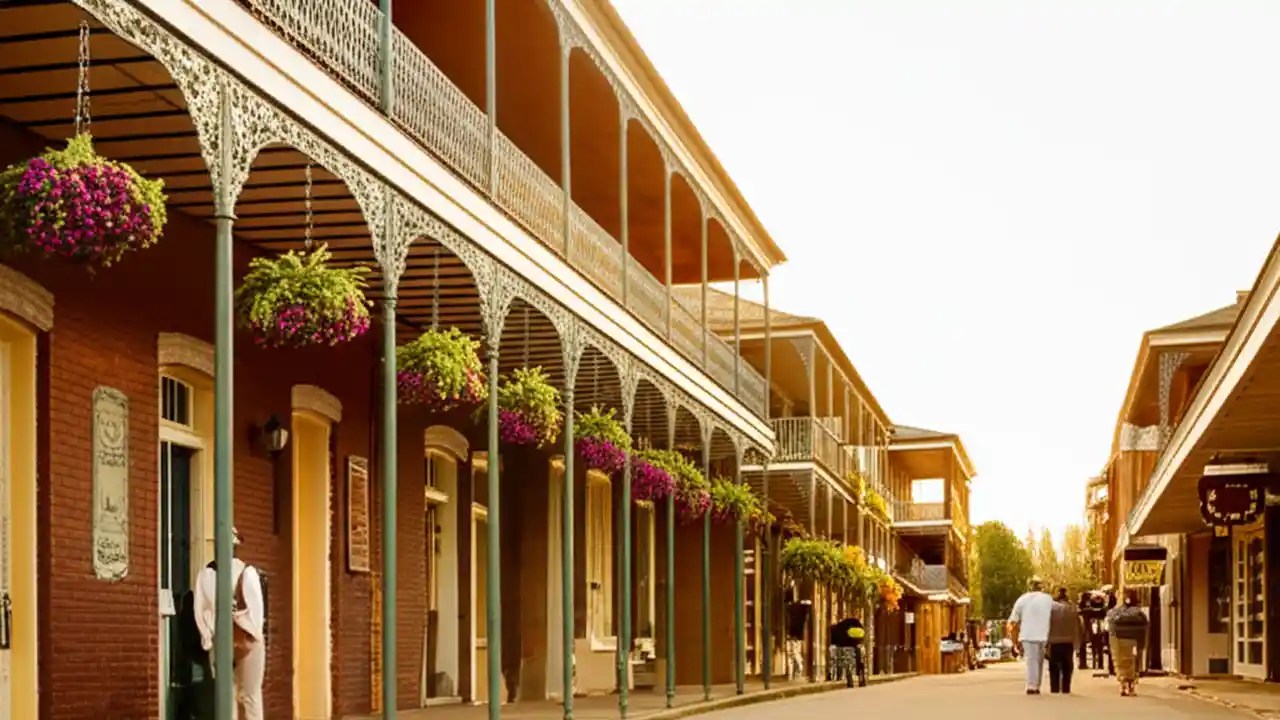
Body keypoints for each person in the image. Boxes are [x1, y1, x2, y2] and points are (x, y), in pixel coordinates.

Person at [194, 528, 266, 720]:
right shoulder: (245, 572)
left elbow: (201, 611)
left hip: (225, 639)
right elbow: (256, 611)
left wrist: (209, 638)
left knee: (231, 697)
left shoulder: (207, 575)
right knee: (246, 696)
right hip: (241, 638)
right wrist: (250, 630)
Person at [1008, 577, 1054, 695]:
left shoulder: (1022, 599)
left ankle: (1031, 685)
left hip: (1027, 634)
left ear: (1030, 586)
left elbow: (1013, 620)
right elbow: (1054, 616)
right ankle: (1036, 685)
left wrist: (1014, 639)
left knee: (1031, 660)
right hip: (1044, 634)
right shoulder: (1048, 599)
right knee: (1039, 660)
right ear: (1041, 587)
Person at [1107, 590, 1149, 697]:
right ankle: (1131, 686)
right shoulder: (1139, 613)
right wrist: (1142, 644)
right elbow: (1145, 628)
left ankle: (1123, 685)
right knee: (1132, 662)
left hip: (1118, 639)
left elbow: (1110, 627)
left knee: (1119, 662)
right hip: (1134, 640)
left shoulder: (1114, 612)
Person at [1047, 588, 1082, 694]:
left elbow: (1047, 625)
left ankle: (1054, 688)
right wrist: (1077, 643)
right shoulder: (1073, 608)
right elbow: (1078, 626)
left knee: (1054, 667)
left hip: (1053, 642)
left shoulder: (1051, 608)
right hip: (1068, 641)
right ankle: (1066, 688)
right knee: (1067, 666)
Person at [828, 615, 866, 687]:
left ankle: (849, 679)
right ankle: (861, 677)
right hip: (857, 646)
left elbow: (836, 639)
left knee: (847, 664)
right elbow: (863, 634)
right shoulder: (857, 623)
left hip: (845, 646)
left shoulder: (840, 626)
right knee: (860, 663)